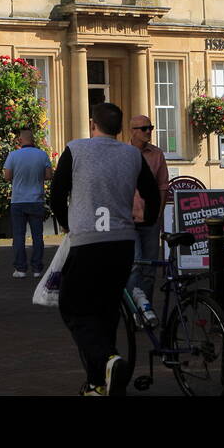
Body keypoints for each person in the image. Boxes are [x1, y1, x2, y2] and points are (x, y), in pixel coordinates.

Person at [50, 102, 160, 396]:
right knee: (107, 311)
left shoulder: (75, 149)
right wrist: (147, 220)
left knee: (72, 307)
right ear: (121, 129)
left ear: (92, 124)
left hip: (88, 243)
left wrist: (66, 224)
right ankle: (99, 384)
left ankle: (108, 360)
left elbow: (57, 194)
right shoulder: (132, 154)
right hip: (122, 243)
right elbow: (151, 192)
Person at [126, 114, 169, 312]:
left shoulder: (157, 154)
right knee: (134, 266)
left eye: (150, 127)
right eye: (144, 128)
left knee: (150, 269)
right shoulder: (123, 153)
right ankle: (135, 312)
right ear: (132, 131)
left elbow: (162, 186)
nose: (148, 132)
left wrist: (159, 213)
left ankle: (147, 310)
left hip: (151, 219)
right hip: (127, 219)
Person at [4, 127, 52, 278]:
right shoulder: (42, 155)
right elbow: (49, 175)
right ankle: (37, 269)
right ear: (33, 140)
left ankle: (20, 269)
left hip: (18, 200)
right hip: (36, 199)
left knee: (18, 236)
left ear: (20, 140)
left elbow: (7, 176)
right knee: (38, 236)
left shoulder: (13, 155)